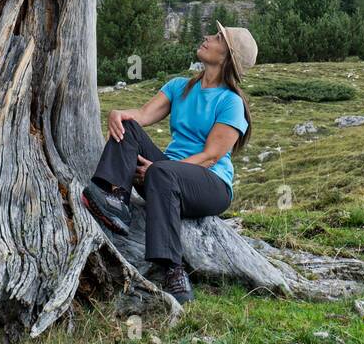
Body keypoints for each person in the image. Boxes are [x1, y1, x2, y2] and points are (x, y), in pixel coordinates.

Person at [81, 21, 257, 303]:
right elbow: (141, 115)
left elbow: (211, 156)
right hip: (166, 175)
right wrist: (117, 113)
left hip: (210, 184)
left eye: (216, 38)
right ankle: (115, 198)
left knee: (163, 173)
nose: (207, 37)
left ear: (227, 56)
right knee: (129, 128)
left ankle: (173, 269)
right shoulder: (179, 87)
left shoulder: (230, 102)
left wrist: (161, 170)